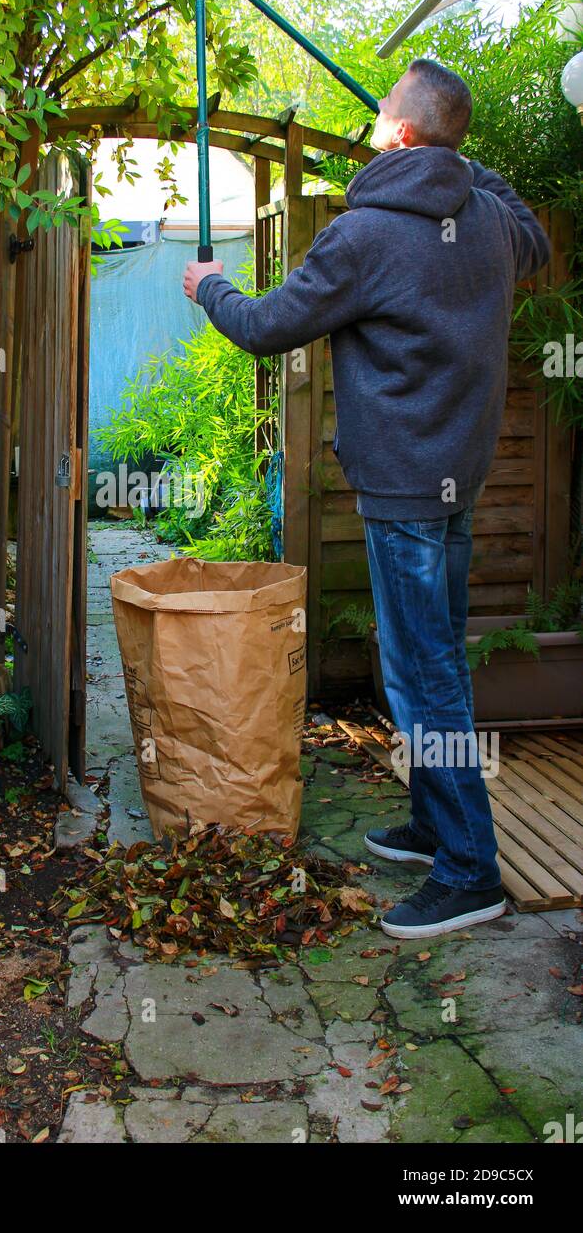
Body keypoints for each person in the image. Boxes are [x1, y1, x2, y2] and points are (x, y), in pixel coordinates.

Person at [183, 58, 551, 939]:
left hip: (404, 490)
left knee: (423, 676)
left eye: (385, 112)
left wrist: (210, 289)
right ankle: (434, 827)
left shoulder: (365, 235)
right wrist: (455, 159)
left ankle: (470, 872)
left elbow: (266, 328)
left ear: (403, 136)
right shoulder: (494, 222)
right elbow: (530, 222)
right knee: (438, 660)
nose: (375, 119)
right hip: (458, 476)